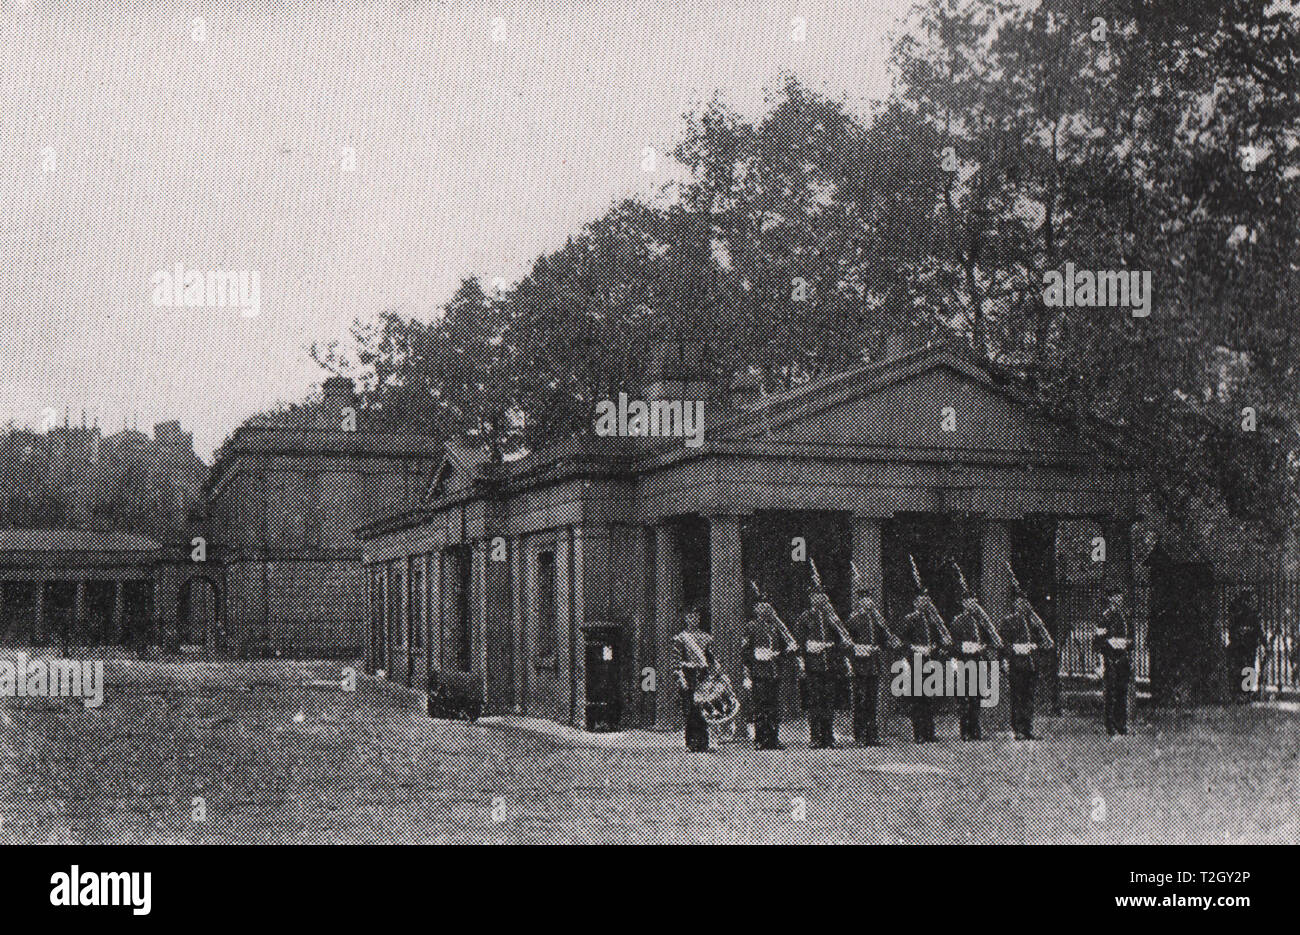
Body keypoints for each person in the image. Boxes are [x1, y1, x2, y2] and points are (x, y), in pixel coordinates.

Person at [844, 565, 902, 745]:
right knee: (860, 701)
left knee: (871, 701)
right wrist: (858, 652)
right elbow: (847, 645)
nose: (869, 603)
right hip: (860, 665)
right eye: (865, 600)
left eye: (870, 600)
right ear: (860, 602)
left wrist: (892, 642)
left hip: (873, 665)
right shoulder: (853, 620)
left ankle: (872, 735)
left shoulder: (876, 621)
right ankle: (859, 735)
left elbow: (884, 640)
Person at [945, 566, 1002, 741]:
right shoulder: (957, 622)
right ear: (963, 604)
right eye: (969, 602)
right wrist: (962, 647)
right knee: (964, 697)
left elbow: (990, 640)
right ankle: (965, 731)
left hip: (978, 661)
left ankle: (976, 730)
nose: (972, 604)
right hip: (963, 662)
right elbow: (950, 644)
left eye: (974, 601)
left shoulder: (982, 621)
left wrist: (982, 646)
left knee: (977, 697)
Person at [999, 566, 1054, 740]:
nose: (1022, 605)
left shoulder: (1033, 622)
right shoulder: (1009, 622)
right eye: (1019, 603)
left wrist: (1035, 646)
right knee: (1018, 698)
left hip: (1031, 663)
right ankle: (1018, 729)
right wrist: (1013, 651)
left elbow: (1044, 641)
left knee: (1029, 698)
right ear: (1015, 604)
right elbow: (1003, 644)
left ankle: (1027, 728)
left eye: (1025, 602)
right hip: (1017, 663)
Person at [743, 583, 799, 750]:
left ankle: (773, 739)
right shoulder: (751, 627)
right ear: (756, 609)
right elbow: (745, 650)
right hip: (759, 671)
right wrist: (751, 663)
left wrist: (786, 651)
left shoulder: (776, 628)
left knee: (773, 707)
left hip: (774, 670)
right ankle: (760, 739)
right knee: (760, 706)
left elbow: (784, 648)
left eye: (767, 606)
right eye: (761, 606)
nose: (764, 609)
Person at [796, 578, 849, 749]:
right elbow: (798, 643)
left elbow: (843, 641)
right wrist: (805, 655)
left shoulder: (832, 618)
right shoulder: (805, 617)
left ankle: (828, 736)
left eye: (821, 595)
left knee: (829, 701)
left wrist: (832, 647)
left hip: (830, 665)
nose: (819, 599)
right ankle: (815, 736)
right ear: (811, 598)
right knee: (815, 702)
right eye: (815, 595)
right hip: (813, 666)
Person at [898, 579, 953, 742]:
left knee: (930, 697)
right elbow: (903, 641)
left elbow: (938, 640)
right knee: (917, 698)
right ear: (916, 602)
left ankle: (929, 732)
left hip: (930, 661)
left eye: (926, 599)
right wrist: (915, 648)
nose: (924, 602)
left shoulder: (933, 620)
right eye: (921, 599)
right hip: (915, 661)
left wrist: (934, 647)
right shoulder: (910, 619)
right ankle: (919, 733)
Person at [673, 606, 715, 752]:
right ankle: (692, 742)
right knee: (690, 710)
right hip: (688, 674)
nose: (694, 620)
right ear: (686, 619)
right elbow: (676, 661)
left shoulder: (706, 637)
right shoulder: (680, 638)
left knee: (702, 708)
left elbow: (711, 659)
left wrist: (712, 675)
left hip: (702, 674)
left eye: (696, 617)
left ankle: (703, 742)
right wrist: (681, 677)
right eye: (691, 617)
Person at [1093, 588, 1132, 736]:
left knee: (1122, 692)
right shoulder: (1105, 617)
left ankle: (1121, 725)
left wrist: (1126, 644)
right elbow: (1097, 641)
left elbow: (1131, 639)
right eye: (1115, 598)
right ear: (1110, 599)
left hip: (1123, 658)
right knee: (1111, 693)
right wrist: (1109, 644)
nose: (1118, 601)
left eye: (1120, 598)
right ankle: (1110, 726)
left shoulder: (1126, 616)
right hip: (1110, 658)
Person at [1227, 589, 1262, 703]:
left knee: (1242, 668)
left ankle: (1241, 694)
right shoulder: (1249, 614)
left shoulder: (1242, 614)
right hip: (1247, 646)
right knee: (1247, 668)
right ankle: (1244, 693)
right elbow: (1258, 630)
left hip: (1244, 646)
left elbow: (1231, 630)